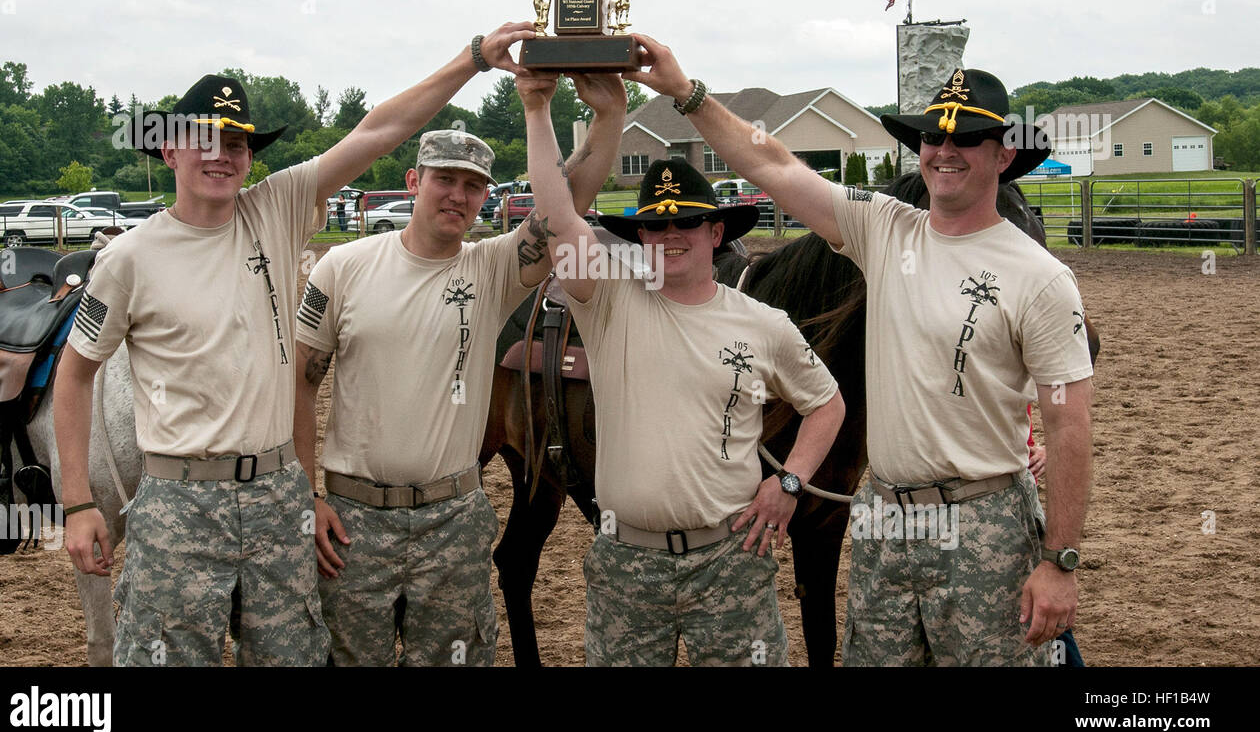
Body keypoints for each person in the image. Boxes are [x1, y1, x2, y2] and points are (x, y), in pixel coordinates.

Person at [54, 23, 534, 666]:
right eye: (203, 141)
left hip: (279, 497)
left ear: (250, 157)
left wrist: (472, 61)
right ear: (169, 151)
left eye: (236, 143)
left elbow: (376, 133)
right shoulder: (129, 259)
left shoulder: (274, 210)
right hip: (178, 502)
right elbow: (74, 375)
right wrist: (79, 501)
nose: (221, 155)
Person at [624, 37, 1094, 667]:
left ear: (1004, 152)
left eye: (966, 139)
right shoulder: (885, 228)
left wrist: (1059, 560)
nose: (944, 151)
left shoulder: (1039, 277)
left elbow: (1069, 423)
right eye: (933, 137)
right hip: (884, 521)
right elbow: (775, 166)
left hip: (984, 523)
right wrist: (686, 91)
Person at [293, 74, 627, 666]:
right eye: (444, 179)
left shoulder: (491, 269)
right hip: (353, 523)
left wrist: (603, 117)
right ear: (413, 182)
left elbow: (565, 203)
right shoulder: (342, 268)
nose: (457, 195)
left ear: (485, 198)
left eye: (473, 186)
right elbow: (299, 380)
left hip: (452, 521)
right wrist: (305, 496)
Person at [520, 71, 846, 666]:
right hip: (626, 563)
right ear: (638, 236)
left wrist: (790, 482)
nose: (671, 234)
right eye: (655, 225)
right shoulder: (606, 300)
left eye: (687, 222)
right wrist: (538, 111)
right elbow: (559, 217)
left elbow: (827, 403)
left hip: (731, 562)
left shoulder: (763, 323)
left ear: (716, 232)